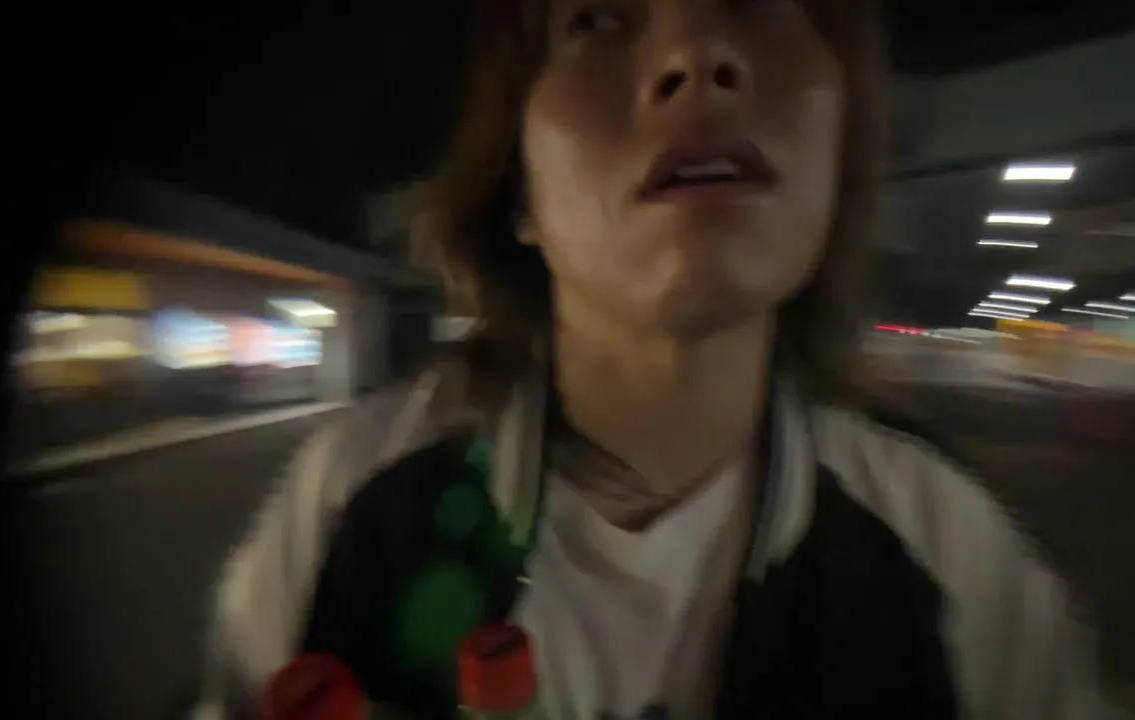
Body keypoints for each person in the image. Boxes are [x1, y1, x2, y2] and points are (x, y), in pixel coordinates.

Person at [194, 0, 1124, 718]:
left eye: (760, 3)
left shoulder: (953, 557)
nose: (697, 55)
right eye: (598, 20)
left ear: (838, 151)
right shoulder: (351, 511)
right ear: (519, 194)